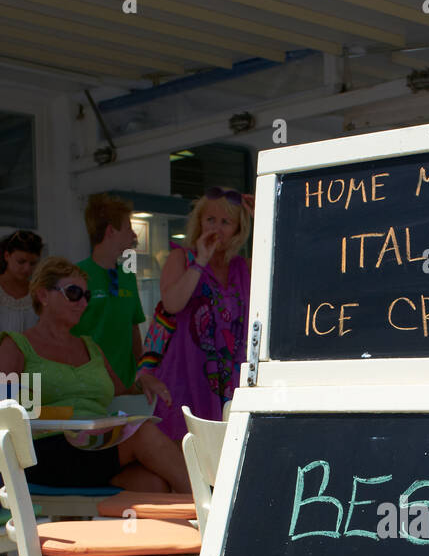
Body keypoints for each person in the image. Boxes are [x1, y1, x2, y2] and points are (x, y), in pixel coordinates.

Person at [0, 257, 189, 495]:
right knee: (144, 433)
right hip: (43, 452)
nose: (82, 303)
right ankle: (208, 509)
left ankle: (190, 511)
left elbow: (122, 392)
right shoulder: (17, 346)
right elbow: (3, 411)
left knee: (151, 484)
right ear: (43, 295)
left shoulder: (90, 347)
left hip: (95, 447)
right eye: (73, 293)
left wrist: (142, 380)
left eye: (87, 296)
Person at [138, 188, 252, 440]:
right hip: (186, 378)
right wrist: (200, 261)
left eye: (226, 222)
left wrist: (262, 215)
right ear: (199, 221)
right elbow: (172, 304)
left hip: (232, 383)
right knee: (185, 451)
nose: (217, 227)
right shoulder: (180, 258)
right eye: (210, 219)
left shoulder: (244, 267)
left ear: (238, 228)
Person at [72, 194, 146, 391]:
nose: (134, 235)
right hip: (90, 388)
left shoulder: (128, 276)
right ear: (111, 231)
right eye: (128, 228)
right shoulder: (76, 276)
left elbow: (134, 328)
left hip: (126, 387)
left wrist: (142, 374)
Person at [0, 229, 43, 334]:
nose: (27, 268)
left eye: (33, 263)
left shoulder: (38, 294)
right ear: (7, 256)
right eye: (21, 262)